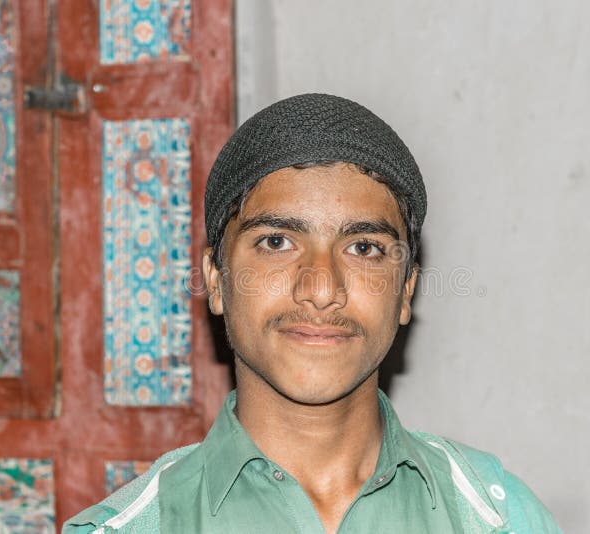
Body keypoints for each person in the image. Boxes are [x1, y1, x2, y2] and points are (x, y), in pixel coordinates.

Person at [64, 93, 562, 533]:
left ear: (406, 289)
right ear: (216, 281)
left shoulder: (498, 519)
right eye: (276, 242)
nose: (321, 289)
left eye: (364, 248)